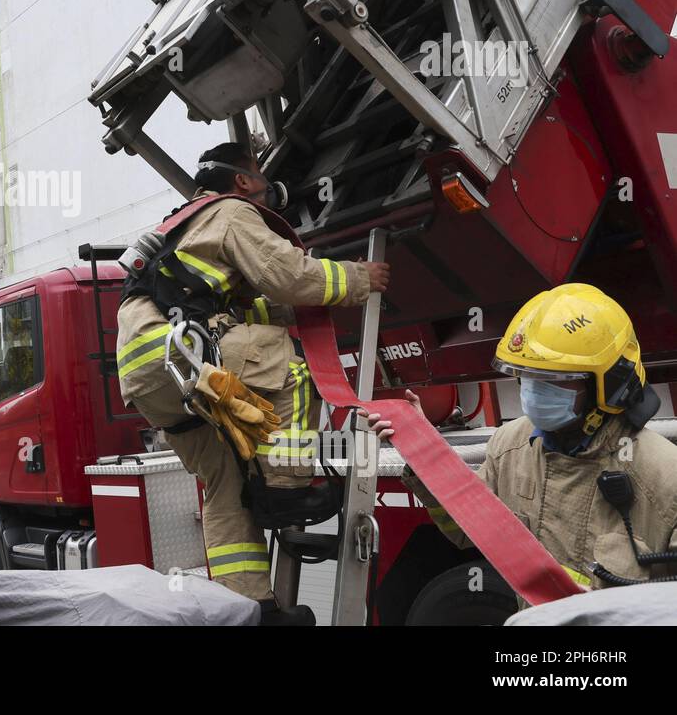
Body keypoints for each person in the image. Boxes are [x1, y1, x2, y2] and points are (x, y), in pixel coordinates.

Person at [116, 141, 390, 625]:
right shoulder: (230, 212)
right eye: (259, 172)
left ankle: (250, 612)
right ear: (242, 181)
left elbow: (250, 306)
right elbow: (287, 275)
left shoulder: (182, 225)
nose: (266, 185)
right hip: (181, 352)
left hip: (148, 374)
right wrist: (359, 278)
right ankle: (286, 487)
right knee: (295, 368)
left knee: (224, 482)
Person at [361, 283, 677, 605]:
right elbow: (466, 530)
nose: (534, 393)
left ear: (611, 383)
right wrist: (421, 449)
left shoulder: (665, 477)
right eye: (526, 376)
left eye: (553, 379)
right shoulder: (510, 445)